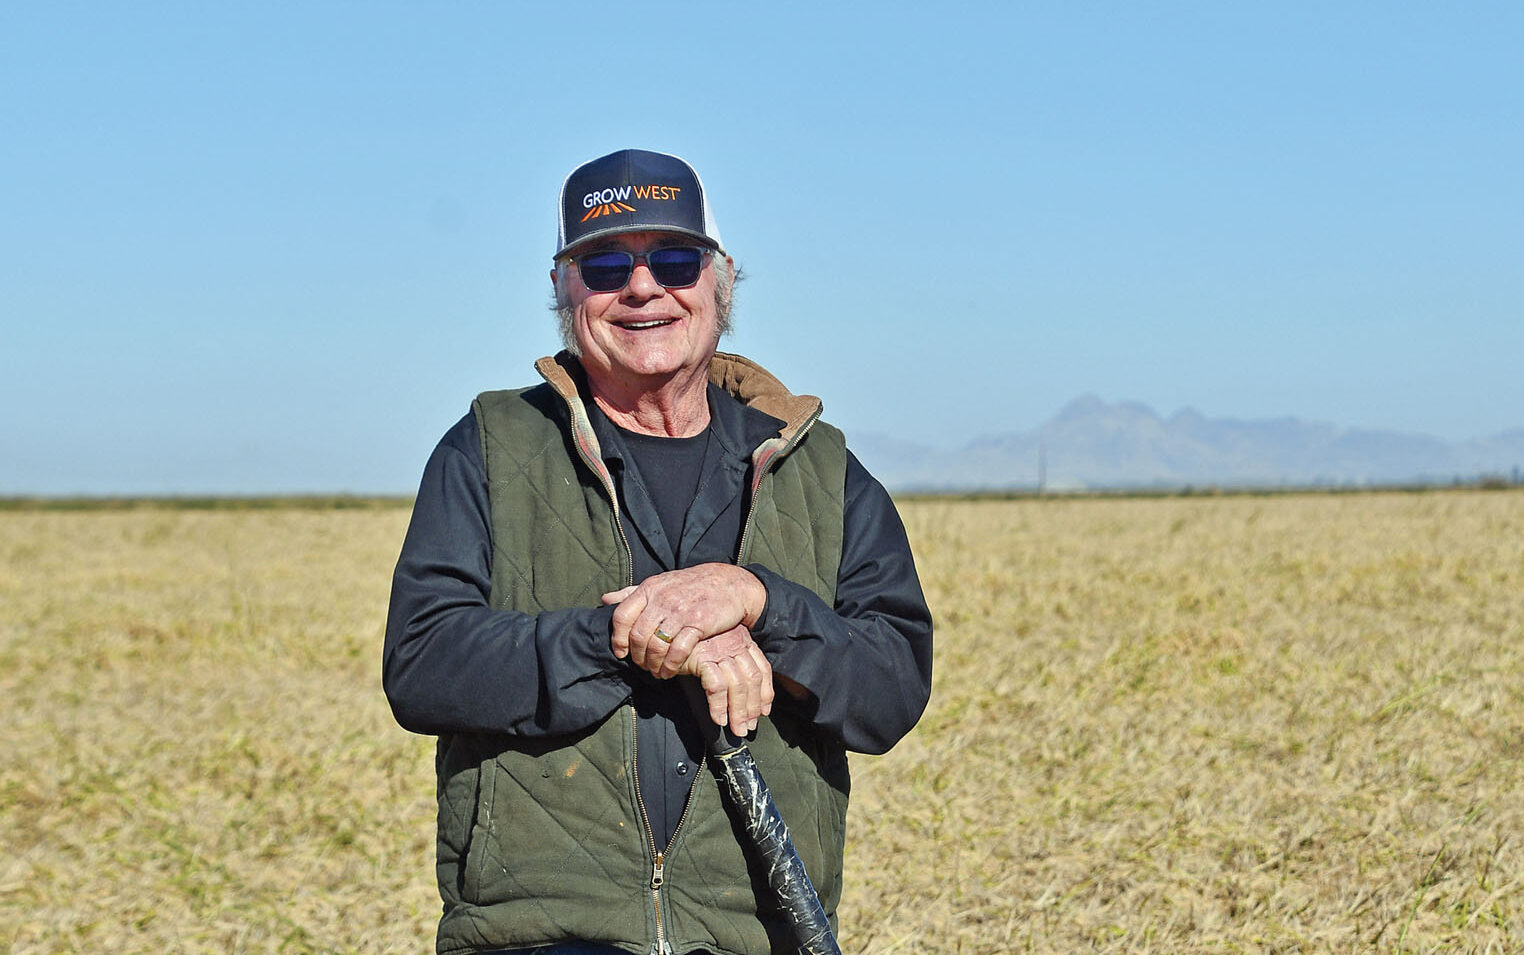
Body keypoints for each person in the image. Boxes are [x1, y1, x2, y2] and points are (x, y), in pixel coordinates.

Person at [384, 148, 932, 955]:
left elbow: (892, 688)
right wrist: (627, 640)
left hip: (756, 930)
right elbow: (424, 662)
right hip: (542, 931)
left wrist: (761, 604)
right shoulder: (490, 449)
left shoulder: (819, 469)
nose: (642, 287)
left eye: (674, 259)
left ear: (722, 280)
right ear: (562, 288)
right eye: (604, 264)